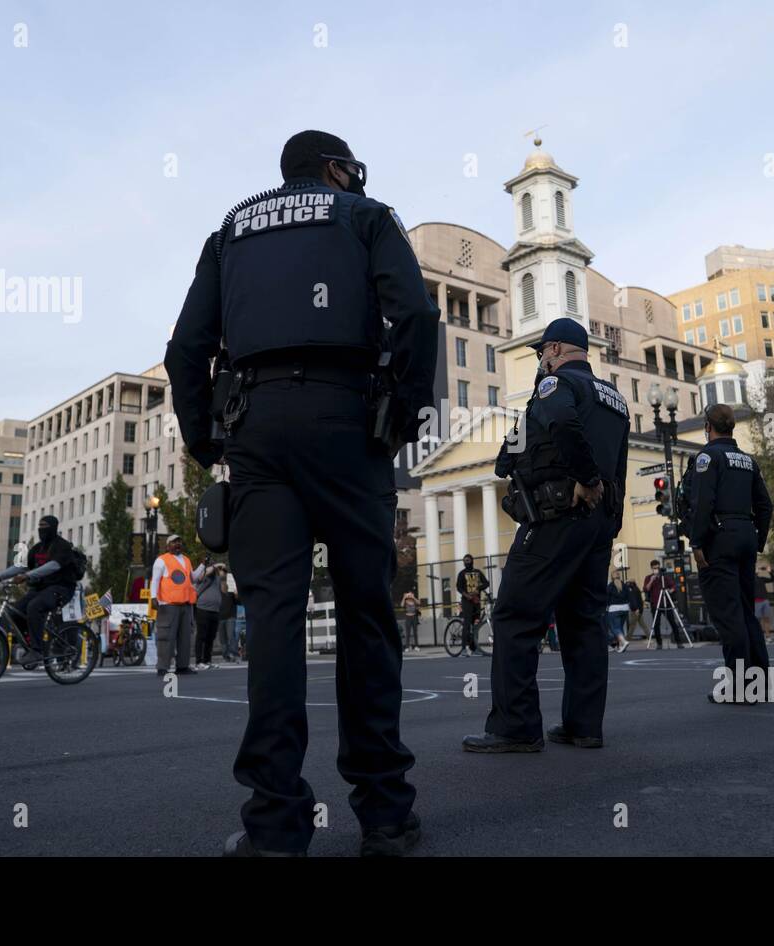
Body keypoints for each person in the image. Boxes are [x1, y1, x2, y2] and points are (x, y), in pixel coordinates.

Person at [166, 130, 438, 857]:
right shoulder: (367, 215)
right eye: (348, 168)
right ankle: (383, 814)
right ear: (332, 168)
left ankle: (277, 821)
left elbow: (185, 348)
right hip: (348, 422)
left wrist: (204, 441)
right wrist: (401, 414)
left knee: (276, 624)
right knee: (368, 616)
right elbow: (415, 315)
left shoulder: (230, 230)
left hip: (255, 428)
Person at [463, 316, 629, 752]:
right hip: (596, 525)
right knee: (584, 623)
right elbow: (621, 465)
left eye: (542, 353)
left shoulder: (557, 387)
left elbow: (562, 426)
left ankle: (515, 727)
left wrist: (586, 477)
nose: (541, 361)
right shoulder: (615, 399)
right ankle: (583, 725)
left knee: (516, 616)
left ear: (555, 349)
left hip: (557, 515)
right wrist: (609, 519)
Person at [687, 403, 774, 704]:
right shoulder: (749, 461)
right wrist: (758, 540)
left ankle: (739, 686)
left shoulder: (707, 457)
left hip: (719, 538)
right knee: (746, 612)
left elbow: (701, 504)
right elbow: (765, 506)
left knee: (728, 615)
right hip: (746, 534)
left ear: (708, 426)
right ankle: (759, 683)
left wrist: (697, 543)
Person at [8, 515, 79, 659]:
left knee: (34, 606)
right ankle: (30, 643)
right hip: (41, 589)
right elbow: (21, 567)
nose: (41, 530)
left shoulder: (62, 546)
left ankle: (37, 650)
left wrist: (28, 576)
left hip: (61, 588)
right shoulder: (38, 548)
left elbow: (53, 566)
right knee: (14, 611)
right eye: (39, 526)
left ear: (53, 528)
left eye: (45, 526)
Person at [151, 535, 203, 676]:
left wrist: (203, 565)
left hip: (186, 604)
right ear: (168, 546)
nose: (178, 544)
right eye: (174, 542)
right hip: (168, 604)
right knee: (166, 636)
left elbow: (194, 578)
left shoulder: (186, 560)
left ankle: (182, 666)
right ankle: (162, 667)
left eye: (179, 541)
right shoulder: (161, 560)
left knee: (185, 637)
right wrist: (153, 597)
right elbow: (155, 580)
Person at [642, 560, 684, 649]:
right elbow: (646, 589)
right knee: (656, 624)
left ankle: (678, 642)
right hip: (655, 604)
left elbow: (673, 586)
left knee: (673, 622)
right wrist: (651, 580)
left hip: (666, 602)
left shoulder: (664, 577)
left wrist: (670, 590)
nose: (656, 570)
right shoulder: (648, 578)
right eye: (654, 568)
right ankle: (659, 643)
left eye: (657, 568)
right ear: (651, 568)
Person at [454, 554, 490, 656]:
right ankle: (463, 648)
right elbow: (459, 587)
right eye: (465, 560)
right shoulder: (462, 573)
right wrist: (466, 595)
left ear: (472, 560)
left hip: (476, 602)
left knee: (476, 625)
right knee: (467, 623)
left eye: (468, 560)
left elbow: (486, 583)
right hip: (466, 602)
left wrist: (478, 588)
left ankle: (474, 648)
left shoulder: (478, 572)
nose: (467, 562)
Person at [193, 559, 224, 669]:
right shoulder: (205, 575)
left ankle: (207, 660)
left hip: (215, 610)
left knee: (211, 637)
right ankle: (198, 661)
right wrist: (217, 565)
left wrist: (223, 576)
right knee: (201, 635)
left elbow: (224, 590)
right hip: (203, 609)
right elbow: (207, 572)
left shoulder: (217, 578)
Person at [217, 566, 239, 663]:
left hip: (230, 615)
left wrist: (236, 595)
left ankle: (233, 654)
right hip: (219, 616)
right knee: (222, 638)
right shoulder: (215, 586)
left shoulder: (231, 584)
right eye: (220, 572)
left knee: (231, 636)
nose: (222, 574)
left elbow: (238, 601)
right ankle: (225, 655)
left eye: (224, 572)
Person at [605, 571, 631, 653]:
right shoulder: (625, 585)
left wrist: (606, 606)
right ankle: (621, 646)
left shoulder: (610, 586)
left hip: (614, 609)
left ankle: (623, 641)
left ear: (611, 578)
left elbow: (607, 598)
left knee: (615, 628)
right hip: (625, 609)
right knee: (619, 627)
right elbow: (629, 596)